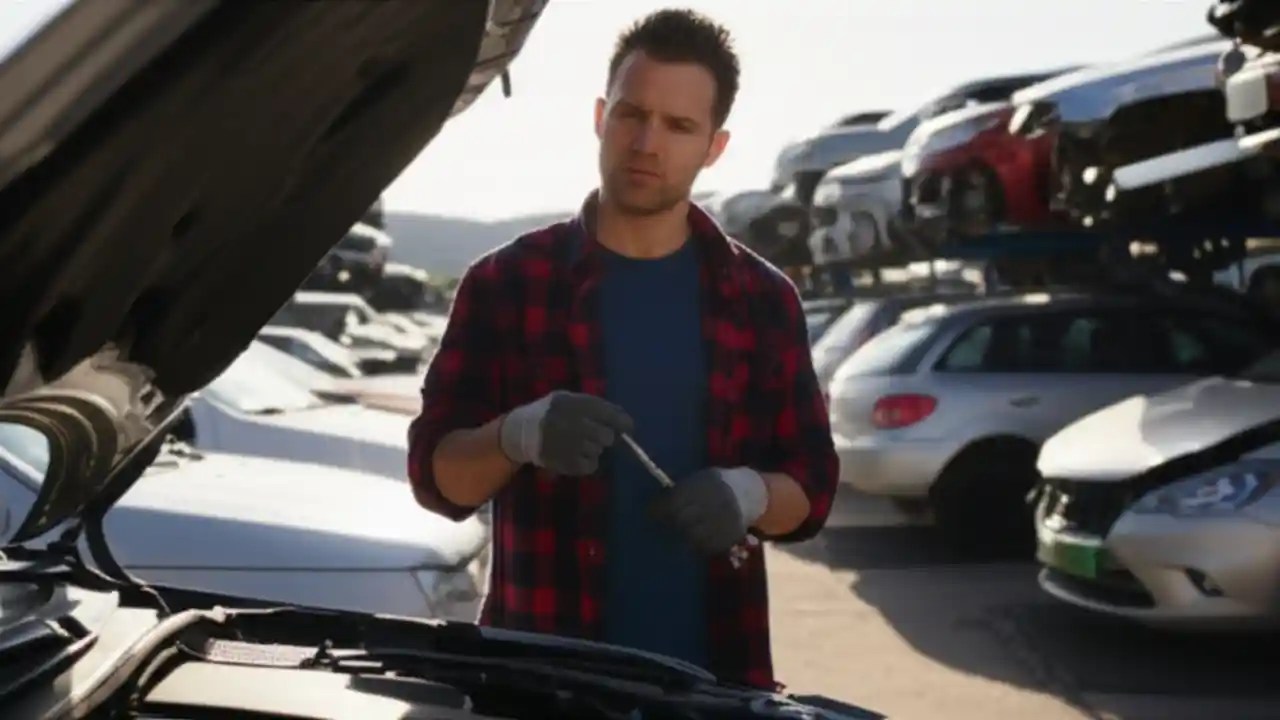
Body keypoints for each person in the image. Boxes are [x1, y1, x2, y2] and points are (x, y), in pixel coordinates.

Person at [407, 8, 837, 690]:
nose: (647, 142)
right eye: (632, 114)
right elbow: (437, 479)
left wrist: (747, 494)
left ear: (714, 146)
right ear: (601, 115)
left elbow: (813, 490)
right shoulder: (506, 284)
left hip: (713, 689)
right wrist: (517, 434)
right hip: (538, 688)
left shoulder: (762, 300)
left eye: (679, 126)